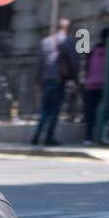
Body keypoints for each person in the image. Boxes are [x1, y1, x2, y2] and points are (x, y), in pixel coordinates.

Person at [31, 18, 77, 146]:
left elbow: (39, 64)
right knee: (54, 110)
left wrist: (37, 81)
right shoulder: (69, 42)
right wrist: (74, 80)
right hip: (58, 80)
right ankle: (49, 137)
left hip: (46, 80)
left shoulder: (45, 42)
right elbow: (73, 63)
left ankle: (37, 135)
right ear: (67, 28)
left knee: (45, 109)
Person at [81, 27, 108, 144]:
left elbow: (87, 67)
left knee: (90, 112)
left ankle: (88, 137)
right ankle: (103, 136)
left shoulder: (94, 49)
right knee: (103, 111)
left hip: (90, 85)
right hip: (104, 86)